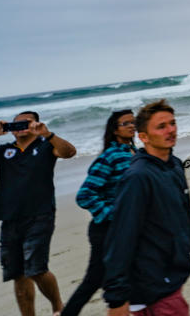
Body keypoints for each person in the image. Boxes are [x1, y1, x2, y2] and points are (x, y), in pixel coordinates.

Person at [103, 99, 190, 316]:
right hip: (150, 283)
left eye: (172, 123)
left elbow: (185, 210)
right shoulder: (138, 177)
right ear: (143, 137)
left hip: (168, 274)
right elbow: (121, 237)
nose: (171, 130)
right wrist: (117, 298)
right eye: (161, 126)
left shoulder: (174, 165)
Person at [0, 112, 75, 316]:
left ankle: (58, 307)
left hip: (40, 214)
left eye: (27, 122)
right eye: (17, 124)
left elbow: (69, 152)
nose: (21, 126)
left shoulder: (46, 146)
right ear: (11, 129)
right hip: (9, 217)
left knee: (37, 269)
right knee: (17, 273)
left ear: (36, 124)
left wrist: (47, 134)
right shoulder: (4, 150)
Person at [63, 109, 138, 316]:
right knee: (93, 280)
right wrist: (114, 215)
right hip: (105, 230)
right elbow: (85, 195)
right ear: (115, 130)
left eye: (133, 122)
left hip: (126, 229)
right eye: (125, 123)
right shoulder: (110, 156)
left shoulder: (135, 153)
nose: (132, 126)